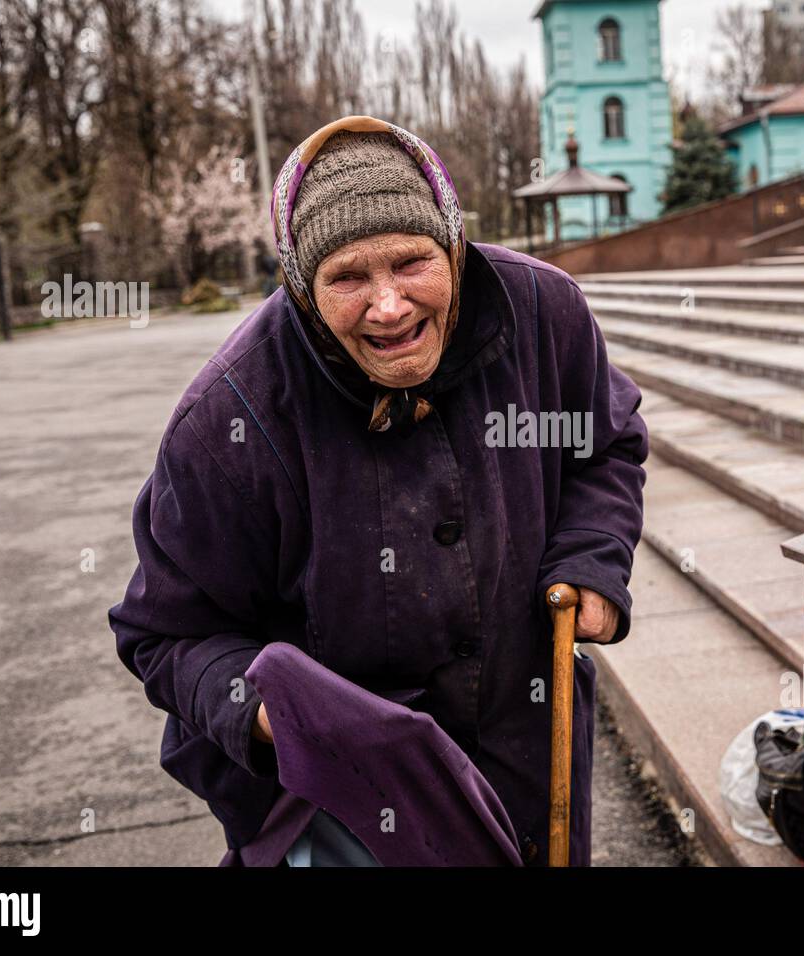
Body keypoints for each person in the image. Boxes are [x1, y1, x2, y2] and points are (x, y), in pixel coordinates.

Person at [108, 115, 649, 866]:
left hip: (531, 750)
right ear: (302, 287)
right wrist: (270, 715)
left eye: (410, 262)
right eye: (348, 277)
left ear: (453, 248)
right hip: (348, 806)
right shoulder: (230, 419)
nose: (388, 305)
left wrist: (591, 558)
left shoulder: (540, 315)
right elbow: (166, 635)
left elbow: (604, 445)